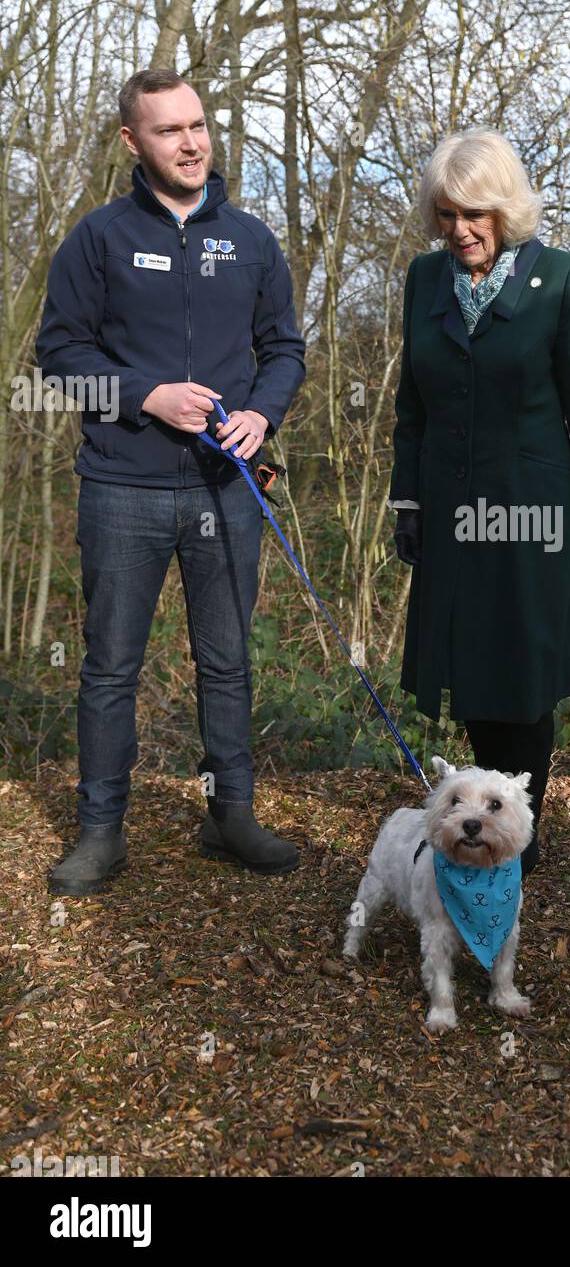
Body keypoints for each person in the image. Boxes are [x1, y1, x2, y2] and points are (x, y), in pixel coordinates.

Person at [38, 68, 306, 895]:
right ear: (132, 142)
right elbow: (58, 359)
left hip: (228, 487)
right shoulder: (98, 238)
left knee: (226, 663)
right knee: (109, 666)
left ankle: (231, 816)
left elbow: (285, 351)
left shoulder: (254, 239)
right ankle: (100, 832)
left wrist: (261, 417)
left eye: (198, 126)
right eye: (168, 131)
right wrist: (145, 396)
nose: (191, 143)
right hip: (122, 486)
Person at [389, 128, 570, 875]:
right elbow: (411, 407)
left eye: (475, 214)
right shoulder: (425, 281)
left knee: (524, 673)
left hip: (532, 511)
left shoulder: (561, 278)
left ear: (505, 209)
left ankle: (523, 833)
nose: (459, 230)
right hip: (451, 510)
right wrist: (408, 503)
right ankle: (481, 824)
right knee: (474, 669)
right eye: (447, 214)